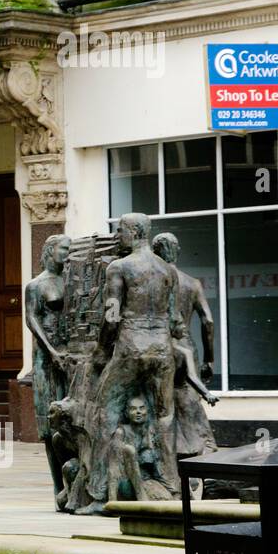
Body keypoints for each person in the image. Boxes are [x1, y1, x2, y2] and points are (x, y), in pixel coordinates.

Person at [82, 213, 182, 511]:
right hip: (162, 348)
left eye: (122, 230)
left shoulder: (119, 267)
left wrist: (101, 351)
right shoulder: (168, 269)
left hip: (131, 347)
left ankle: (99, 494)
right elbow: (175, 320)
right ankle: (171, 485)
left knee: (104, 412)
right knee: (165, 415)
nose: (118, 235)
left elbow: (111, 316)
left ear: (136, 231)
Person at [151, 232, 218, 489]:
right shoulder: (191, 283)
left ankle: (174, 463)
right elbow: (208, 321)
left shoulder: (155, 281)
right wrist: (210, 359)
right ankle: (196, 457)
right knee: (189, 405)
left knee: (165, 405)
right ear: (176, 251)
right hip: (186, 346)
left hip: (161, 346)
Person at [25, 233, 71, 499]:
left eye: (69, 249)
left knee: (71, 420)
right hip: (47, 357)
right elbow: (32, 321)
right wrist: (52, 352)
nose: (67, 253)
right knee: (50, 423)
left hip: (69, 356)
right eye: (63, 249)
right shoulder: (36, 285)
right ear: (50, 250)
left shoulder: (71, 281)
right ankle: (59, 487)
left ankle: (74, 483)